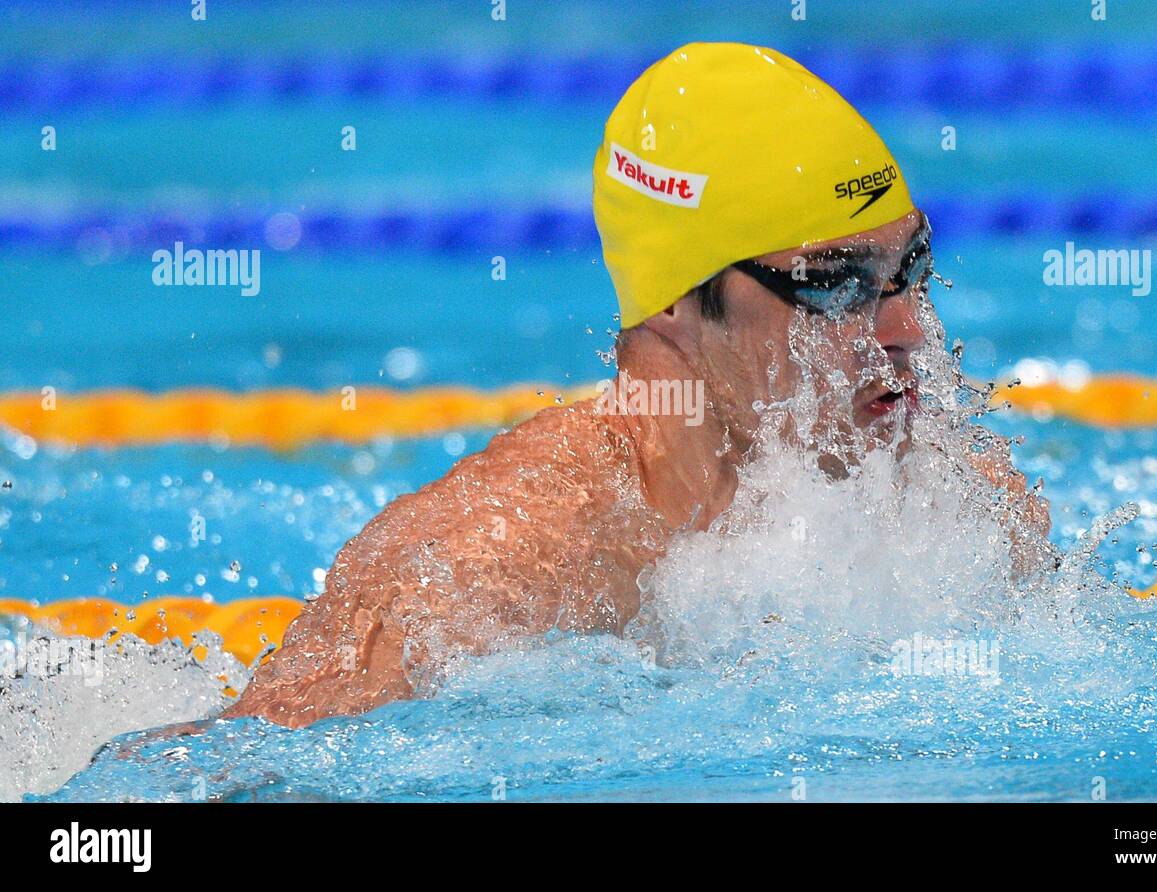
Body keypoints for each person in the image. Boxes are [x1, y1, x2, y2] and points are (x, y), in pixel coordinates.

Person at [225, 42, 1047, 728]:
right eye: (835, 285)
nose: (905, 331)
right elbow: (216, 772)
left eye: (912, 272)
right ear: (671, 304)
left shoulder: (957, 507)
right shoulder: (494, 567)